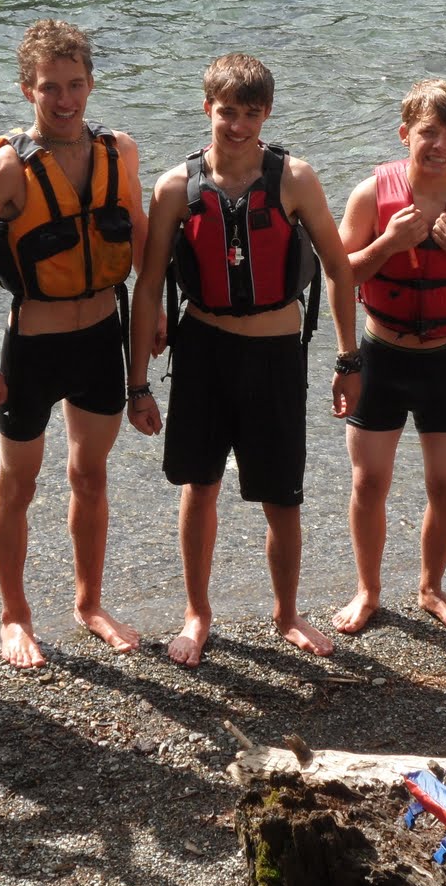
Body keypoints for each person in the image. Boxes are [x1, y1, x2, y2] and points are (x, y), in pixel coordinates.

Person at [127, 53, 361, 668]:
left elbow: (339, 270)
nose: (236, 126)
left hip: (276, 354)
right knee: (198, 487)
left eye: (250, 114)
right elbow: (148, 284)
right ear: (208, 107)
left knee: (281, 496)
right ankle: (196, 614)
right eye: (227, 112)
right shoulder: (176, 186)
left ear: (267, 115)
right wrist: (137, 385)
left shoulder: (295, 179)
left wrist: (348, 357)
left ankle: (286, 614)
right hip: (203, 350)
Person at [0, 19, 147, 668]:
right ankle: (14, 615)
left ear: (91, 83)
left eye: (76, 85)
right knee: (18, 484)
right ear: (26, 88)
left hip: (101, 344)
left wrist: (152, 329)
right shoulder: (7, 170)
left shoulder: (121, 153)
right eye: (50, 88)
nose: (65, 101)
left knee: (90, 474)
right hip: (32, 351)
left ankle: (90, 603)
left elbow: (142, 248)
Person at [330, 80, 446, 635]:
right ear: (404, 132)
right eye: (428, 132)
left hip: (443, 360)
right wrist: (388, 242)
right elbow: (340, 276)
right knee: (369, 483)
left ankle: (432, 587)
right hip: (381, 354)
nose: (439, 144)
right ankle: (368, 591)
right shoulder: (371, 195)